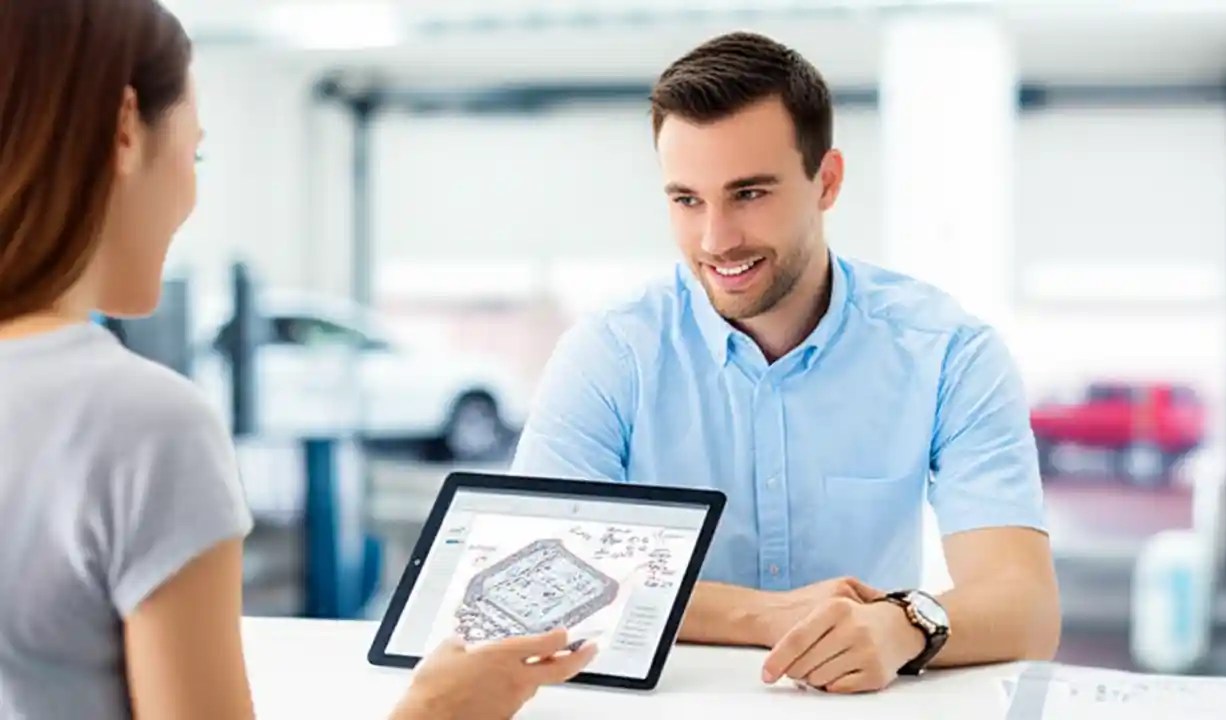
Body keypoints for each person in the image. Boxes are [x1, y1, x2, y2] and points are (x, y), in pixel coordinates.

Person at [0, 2, 593, 719]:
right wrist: (439, 709)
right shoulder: (140, 424)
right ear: (125, 127)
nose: (190, 195)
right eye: (196, 154)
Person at [511, 31, 1062, 694]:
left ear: (826, 181)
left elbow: (1025, 605)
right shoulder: (610, 354)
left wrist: (906, 625)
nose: (716, 239)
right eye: (686, 199)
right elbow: (537, 582)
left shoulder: (947, 351)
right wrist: (767, 615)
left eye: (749, 194)